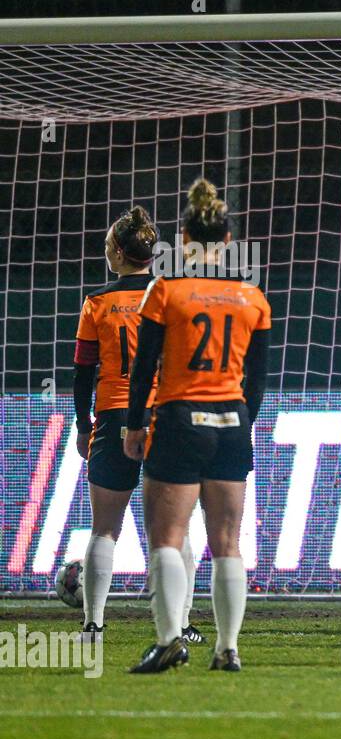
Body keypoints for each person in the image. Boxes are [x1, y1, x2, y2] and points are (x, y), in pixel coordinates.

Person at [124, 178, 271, 673]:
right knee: (227, 541)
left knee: (167, 536)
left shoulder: (165, 291)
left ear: (183, 238)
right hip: (231, 421)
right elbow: (258, 381)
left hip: (180, 418)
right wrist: (241, 419)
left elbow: (143, 367)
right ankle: (227, 649)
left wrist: (134, 425)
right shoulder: (253, 298)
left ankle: (169, 641)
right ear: (227, 241)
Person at [72, 205, 203, 644]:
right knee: (175, 530)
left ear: (116, 252)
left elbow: (82, 371)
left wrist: (81, 424)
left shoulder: (97, 302)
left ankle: (93, 625)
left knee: (105, 528)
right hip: (164, 418)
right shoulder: (171, 297)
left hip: (112, 416)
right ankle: (181, 626)